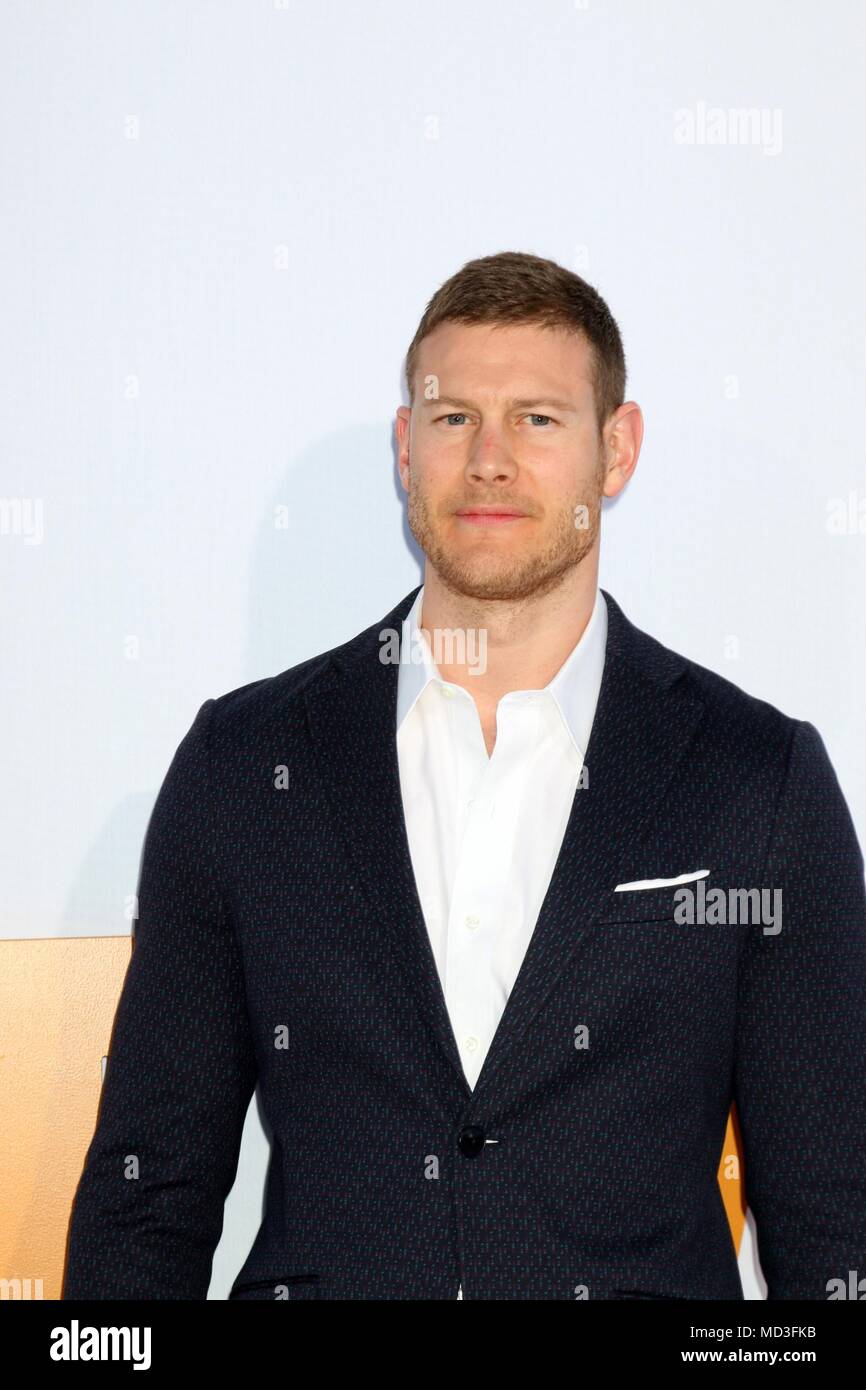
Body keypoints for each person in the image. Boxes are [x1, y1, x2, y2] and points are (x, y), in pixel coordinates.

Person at [63, 251, 866, 1300]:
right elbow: (146, 1192)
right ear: (405, 449)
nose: (489, 460)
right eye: (451, 420)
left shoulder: (755, 779)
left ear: (613, 450)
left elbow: (831, 1218)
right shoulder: (243, 765)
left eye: (536, 418)